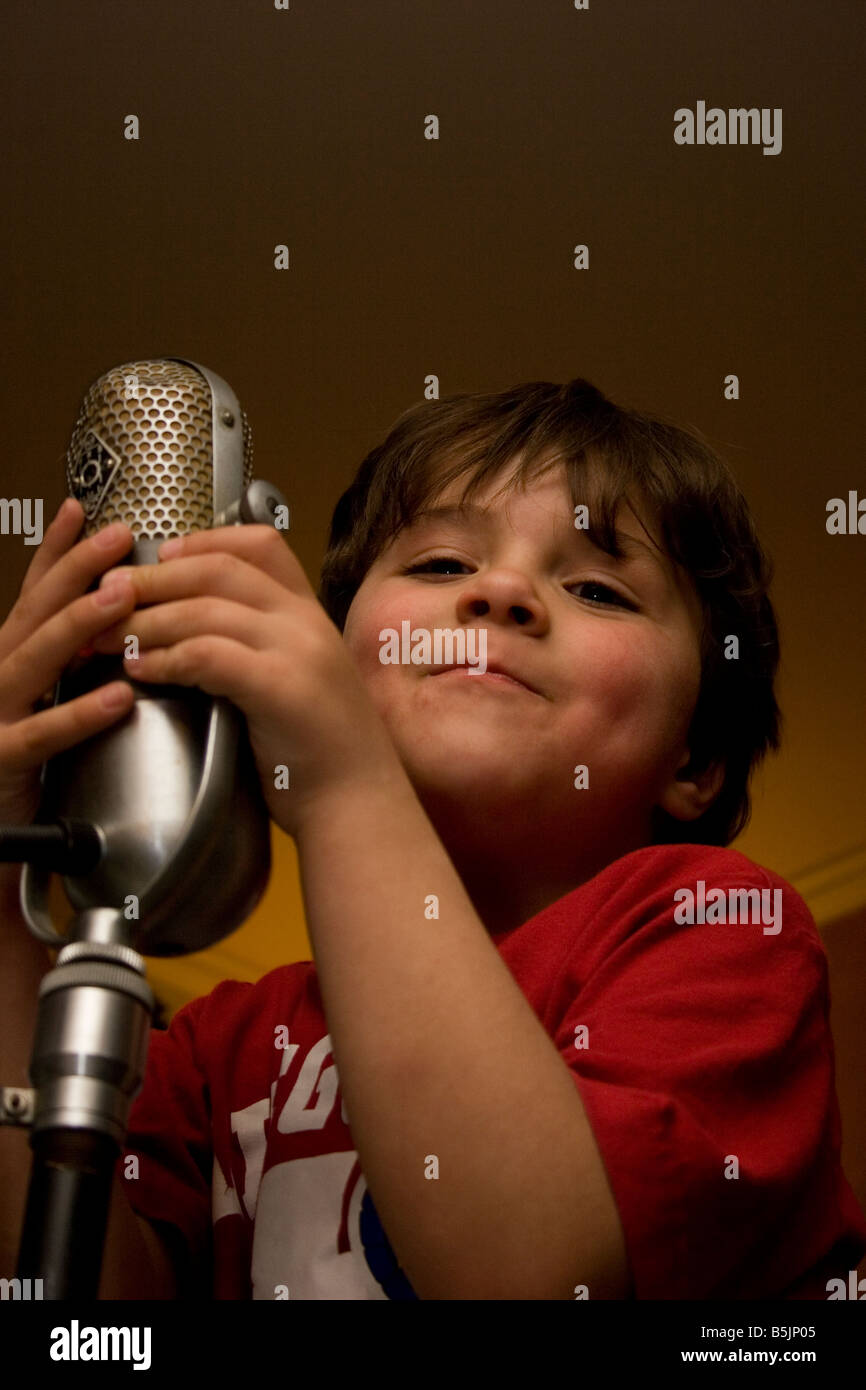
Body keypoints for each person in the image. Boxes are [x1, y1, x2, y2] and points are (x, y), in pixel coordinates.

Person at [1, 378, 864, 1300]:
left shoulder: (722, 935)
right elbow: (84, 1322)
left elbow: (535, 1277)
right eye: (443, 566)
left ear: (694, 761)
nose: (500, 592)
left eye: (597, 589)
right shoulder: (222, 1047)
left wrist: (343, 786)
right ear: (335, 658)